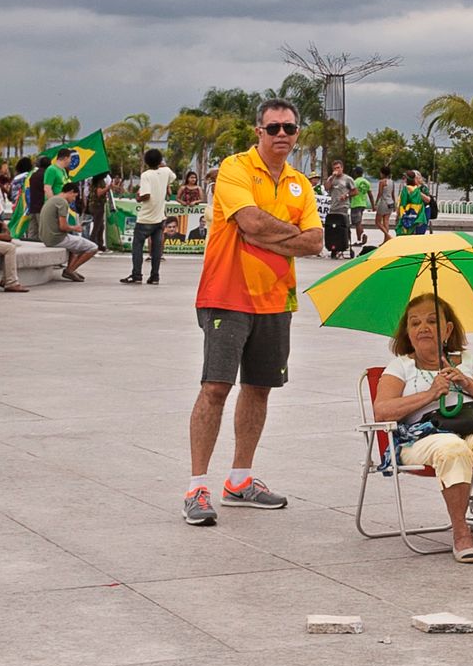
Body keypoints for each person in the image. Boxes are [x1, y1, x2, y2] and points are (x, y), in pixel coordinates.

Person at [183, 99, 322, 526]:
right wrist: (285, 234)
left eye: (290, 128)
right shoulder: (235, 168)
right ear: (258, 131)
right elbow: (249, 221)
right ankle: (197, 486)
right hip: (227, 294)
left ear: (298, 133)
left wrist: (269, 236)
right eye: (274, 127)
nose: (282, 135)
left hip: (277, 299)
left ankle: (239, 480)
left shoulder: (301, 183)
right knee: (215, 388)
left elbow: (315, 241)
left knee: (259, 388)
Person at [373, 294, 473, 562]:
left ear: (448, 329)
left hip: (471, 426)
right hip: (421, 437)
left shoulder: (468, 361)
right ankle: (461, 535)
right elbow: (382, 411)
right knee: (452, 448)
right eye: (415, 323)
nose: (422, 327)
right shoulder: (400, 366)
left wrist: (467, 383)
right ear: (407, 332)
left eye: (431, 321)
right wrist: (429, 394)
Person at [124, 148, 174, 285]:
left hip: (146, 218)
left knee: (138, 247)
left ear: (146, 161)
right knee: (157, 249)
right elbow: (172, 177)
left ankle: (137, 275)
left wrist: (138, 198)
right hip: (160, 217)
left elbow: (146, 194)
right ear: (160, 160)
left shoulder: (146, 175)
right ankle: (155, 276)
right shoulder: (166, 171)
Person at [38, 180, 98, 281]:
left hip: (46, 237)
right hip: (57, 239)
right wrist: (76, 228)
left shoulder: (53, 199)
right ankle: (70, 270)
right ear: (70, 192)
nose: (74, 200)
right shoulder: (62, 202)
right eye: (74, 196)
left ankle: (71, 270)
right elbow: (63, 227)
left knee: (75, 246)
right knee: (93, 247)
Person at [396, 169, 429, 237]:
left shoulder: (405, 190)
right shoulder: (417, 191)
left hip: (405, 217)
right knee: (413, 236)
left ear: (406, 180)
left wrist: (398, 215)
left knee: (403, 236)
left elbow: (401, 205)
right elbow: (420, 205)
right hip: (415, 217)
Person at [350, 164, 374, 242]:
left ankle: (361, 236)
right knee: (359, 221)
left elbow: (353, 192)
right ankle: (359, 238)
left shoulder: (355, 182)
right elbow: (370, 195)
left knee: (357, 223)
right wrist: (373, 205)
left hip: (356, 203)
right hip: (363, 204)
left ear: (356, 173)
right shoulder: (367, 182)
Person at [375, 166, 396, 240]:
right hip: (391, 202)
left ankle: (388, 236)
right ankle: (385, 240)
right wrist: (395, 205)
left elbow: (380, 193)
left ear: (383, 173)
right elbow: (393, 194)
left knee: (377, 222)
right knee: (386, 221)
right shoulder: (392, 182)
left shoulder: (382, 182)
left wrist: (376, 203)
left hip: (384, 202)